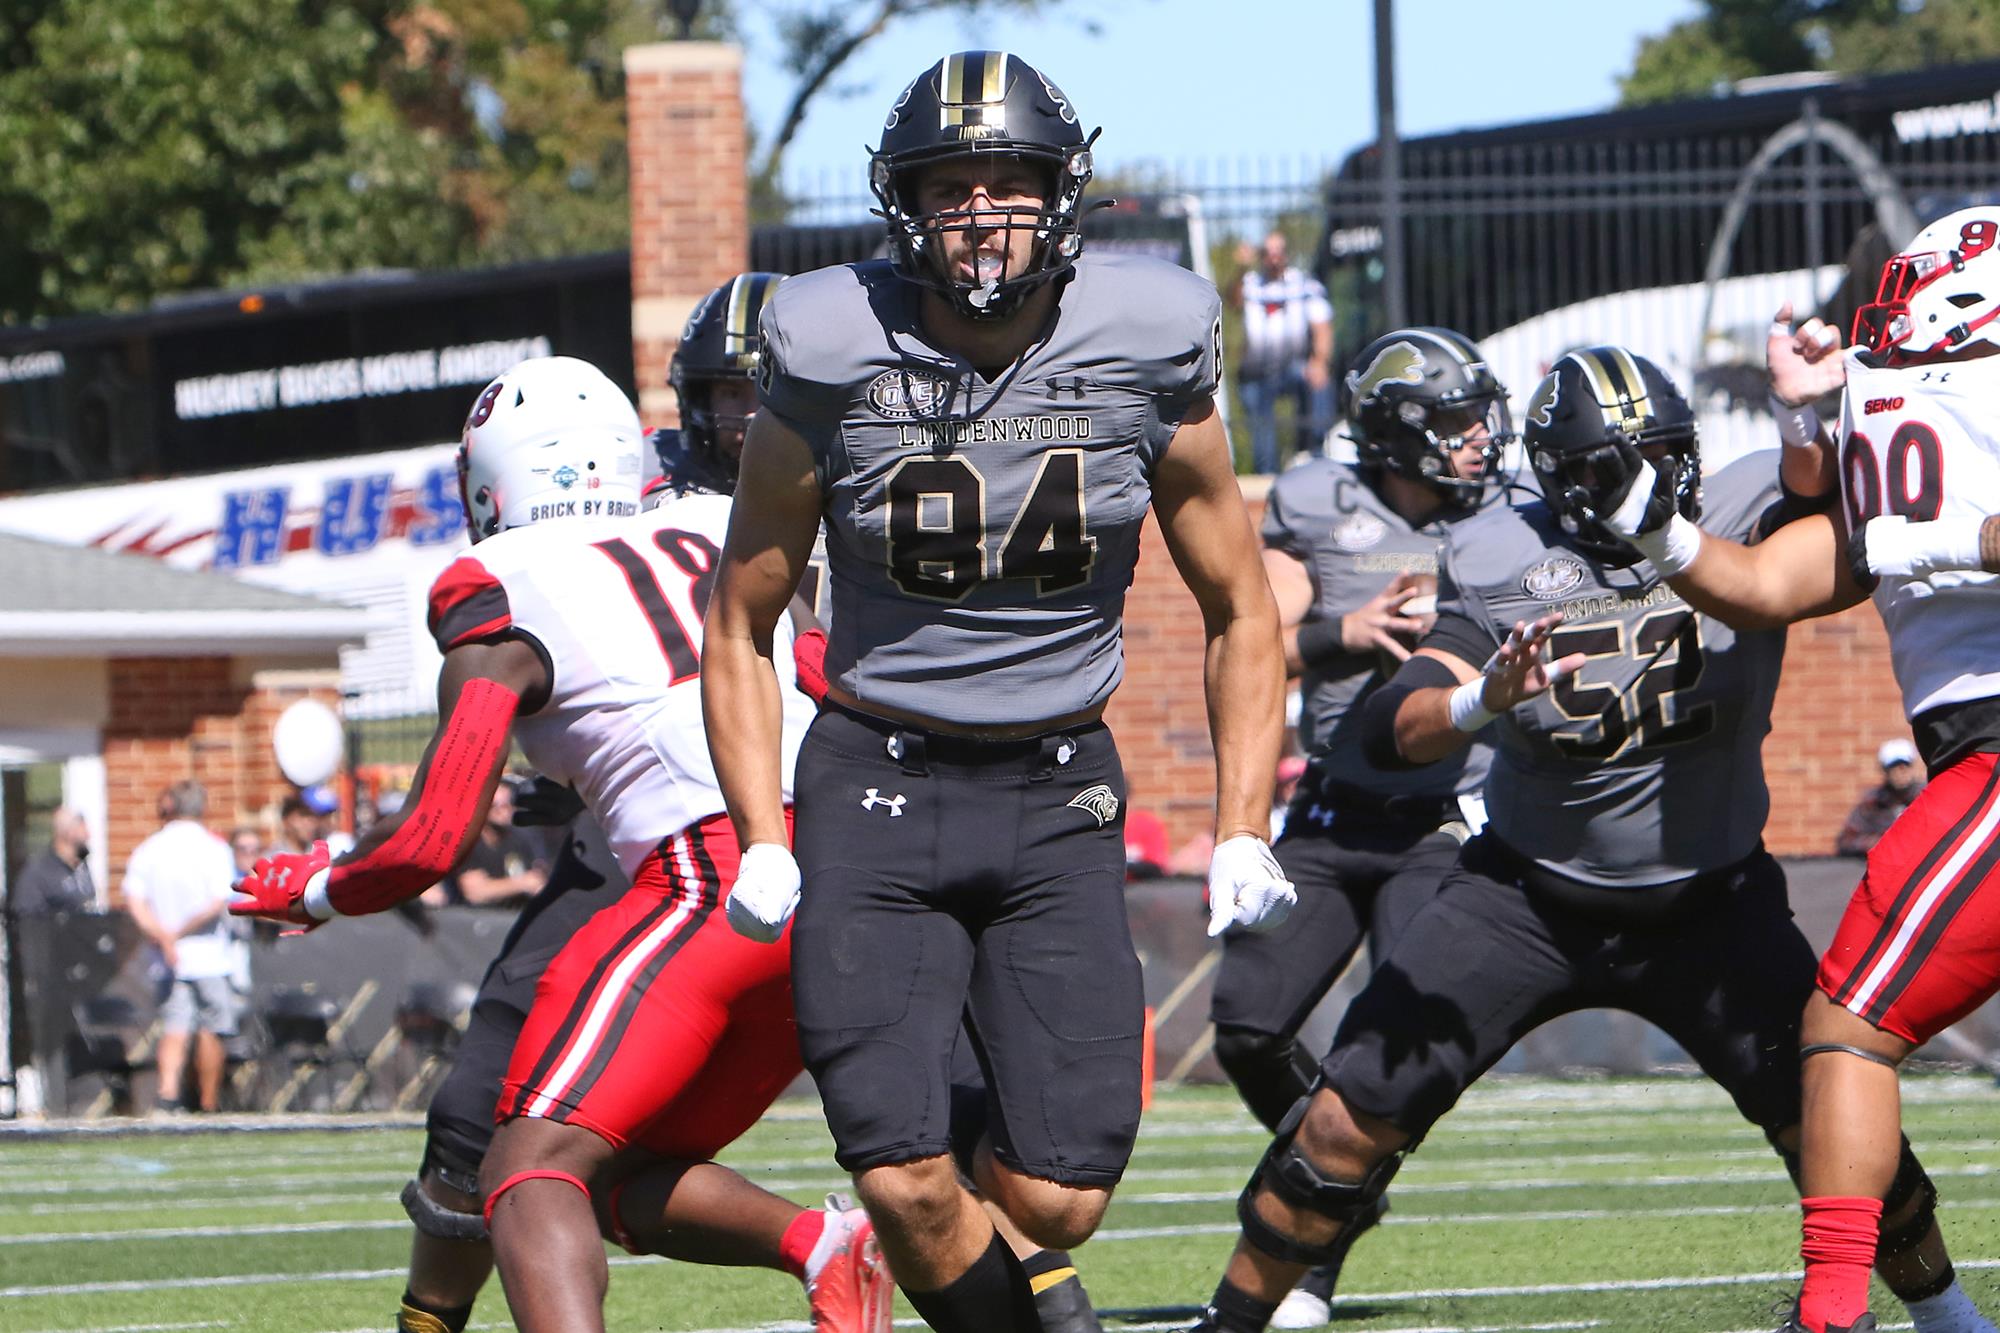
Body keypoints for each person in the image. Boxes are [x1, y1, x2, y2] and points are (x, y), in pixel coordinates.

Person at [1187, 346, 1982, 1333]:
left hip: (1711, 900)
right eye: (1622, 462)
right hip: (1525, 899)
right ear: (1565, 479)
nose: (1654, 478)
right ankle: (1229, 1321)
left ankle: (1947, 1312)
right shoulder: (1499, 550)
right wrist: (1481, 699)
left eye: (1666, 452)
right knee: (1340, 1123)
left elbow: (1828, 493)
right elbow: (1388, 727)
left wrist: (1796, 410)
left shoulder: (1740, 507)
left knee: (1827, 1114)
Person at [702, 49, 1292, 1333]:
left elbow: (1241, 606)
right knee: (901, 1177)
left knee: (1059, 1195)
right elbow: (740, 615)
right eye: (948, 186)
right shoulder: (827, 339)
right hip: (878, 781)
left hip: (1055, 790)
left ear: (1061, 190)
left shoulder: (1146, 335)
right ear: (903, 201)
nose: (979, 212)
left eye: (1007, 181)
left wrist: (1243, 823)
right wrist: (759, 835)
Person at [231, 353, 891, 1333]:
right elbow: (824, 682)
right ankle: (829, 1246)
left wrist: (320, 887)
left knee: (526, 1167)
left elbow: (431, 836)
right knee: (611, 1172)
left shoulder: (497, 583)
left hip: (714, 883)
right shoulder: (715, 524)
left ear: (491, 479)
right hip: (854, 882)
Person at [1583, 211, 2000, 1333]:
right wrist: (1656, 530)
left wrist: (1942, 539)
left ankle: (1830, 1314)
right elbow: (1767, 580)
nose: (1890, 322)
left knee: (1848, 1027)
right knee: (1843, 1029)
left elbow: (1921, 534)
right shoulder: (1907, 434)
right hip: (1970, 753)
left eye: (1917, 292)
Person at [1204, 327, 1505, 1329]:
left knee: (1387, 1046)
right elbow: (1256, 641)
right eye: (1456, 420)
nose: (1478, 438)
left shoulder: (1506, 519)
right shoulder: (1318, 504)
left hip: (1445, 817)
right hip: (1334, 809)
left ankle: (1308, 1243)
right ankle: (1341, 1189)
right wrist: (1351, 628)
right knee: (1247, 1021)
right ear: (1398, 430)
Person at [123, 780, 244, 1113]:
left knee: (175, 1026)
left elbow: (135, 900)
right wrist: (177, 934)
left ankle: (168, 1095)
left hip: (168, 958)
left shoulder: (150, 848)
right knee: (211, 1029)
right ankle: (208, 1102)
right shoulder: (214, 848)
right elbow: (217, 902)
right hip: (209, 956)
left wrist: (164, 937)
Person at [1232, 231, 1333, 474]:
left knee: (1318, 383)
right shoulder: (1250, 282)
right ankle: (1266, 474)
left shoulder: (1304, 284)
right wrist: (1241, 268)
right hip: (1256, 370)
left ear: (1287, 254)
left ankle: (1314, 455)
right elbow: (1232, 301)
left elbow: (1322, 326)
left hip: (1292, 366)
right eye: (1268, 252)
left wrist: (1319, 361)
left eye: (1278, 251)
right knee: (1261, 428)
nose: (1274, 258)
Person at [440, 781, 547, 907]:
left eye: (508, 804)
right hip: (475, 915)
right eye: (495, 805)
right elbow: (475, 893)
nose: (503, 810)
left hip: (515, 913)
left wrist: (497, 886)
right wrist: (521, 883)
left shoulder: (522, 837)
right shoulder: (468, 841)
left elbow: (538, 881)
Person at [1836, 739, 1927, 858]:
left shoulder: (1926, 797)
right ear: (1884, 771)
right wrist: (1880, 843)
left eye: (1905, 765)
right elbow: (1846, 841)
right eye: (1893, 767)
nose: (1900, 771)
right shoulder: (1873, 801)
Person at [10, 807, 96, 916]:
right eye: (83, 831)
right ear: (69, 833)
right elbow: (25, 917)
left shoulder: (81, 869)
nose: (88, 836)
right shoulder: (38, 873)